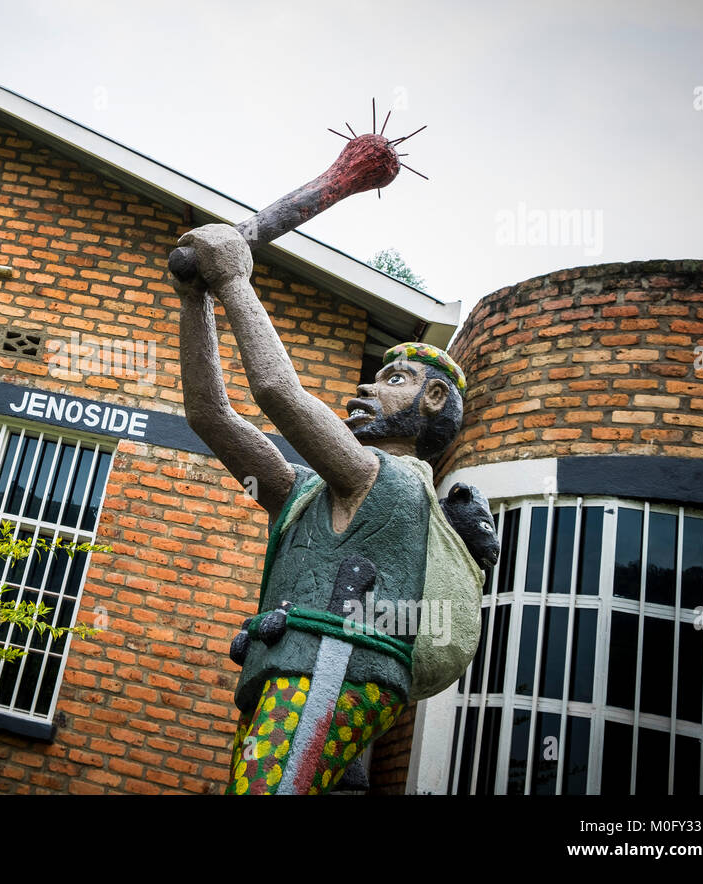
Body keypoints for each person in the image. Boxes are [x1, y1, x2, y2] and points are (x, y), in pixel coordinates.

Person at [172, 223, 481, 795]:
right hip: (291, 669)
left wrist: (236, 279)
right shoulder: (312, 491)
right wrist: (196, 301)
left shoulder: (385, 480)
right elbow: (210, 416)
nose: (364, 389)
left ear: (433, 399)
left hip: (329, 668)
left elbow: (277, 392)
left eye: (394, 380)